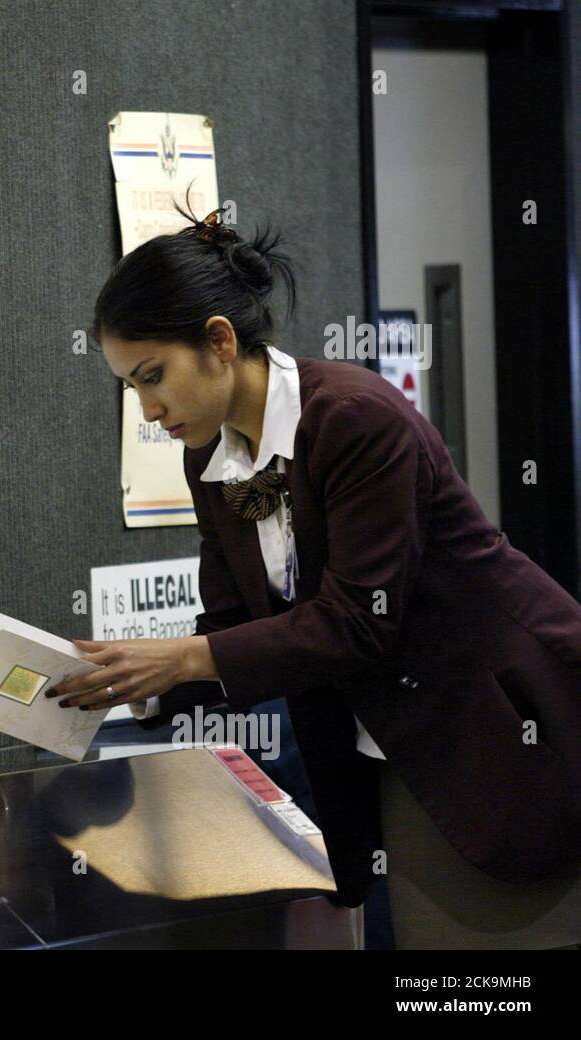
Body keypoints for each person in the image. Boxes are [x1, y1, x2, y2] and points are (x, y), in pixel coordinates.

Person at [47, 207, 581, 949]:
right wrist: (122, 683)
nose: (148, 409)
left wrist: (177, 660)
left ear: (220, 342)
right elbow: (238, 631)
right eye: (130, 389)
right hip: (392, 750)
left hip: (502, 727)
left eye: (152, 378)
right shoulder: (210, 458)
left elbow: (360, 619)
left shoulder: (354, 417)